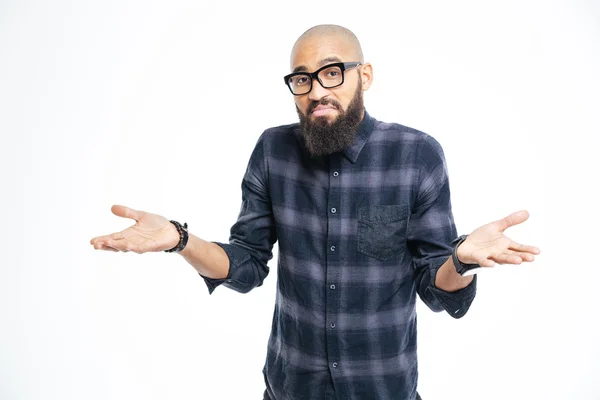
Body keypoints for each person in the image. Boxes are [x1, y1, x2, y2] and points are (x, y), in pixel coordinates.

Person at [90, 24, 540, 400]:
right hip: (291, 388)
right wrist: (180, 240)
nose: (316, 91)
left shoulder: (417, 155)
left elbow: (438, 289)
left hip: (383, 389)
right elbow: (245, 264)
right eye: (302, 79)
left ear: (363, 75)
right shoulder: (272, 150)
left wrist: (460, 260)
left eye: (331, 73)